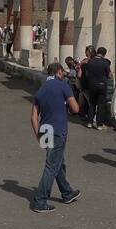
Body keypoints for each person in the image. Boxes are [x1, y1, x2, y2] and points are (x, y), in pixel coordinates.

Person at [29, 62, 82, 213]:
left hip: (44, 129)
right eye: (63, 73)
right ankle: (40, 200)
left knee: (58, 162)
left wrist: (37, 135)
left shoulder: (41, 90)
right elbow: (75, 108)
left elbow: (33, 117)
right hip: (57, 129)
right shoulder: (63, 85)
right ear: (59, 72)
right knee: (51, 165)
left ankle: (67, 192)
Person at [82, 47, 111, 130]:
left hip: (92, 85)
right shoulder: (105, 62)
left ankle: (90, 122)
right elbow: (109, 75)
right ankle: (99, 124)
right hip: (102, 84)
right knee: (101, 105)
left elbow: (87, 74)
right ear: (104, 54)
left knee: (92, 103)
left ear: (97, 52)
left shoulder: (90, 62)